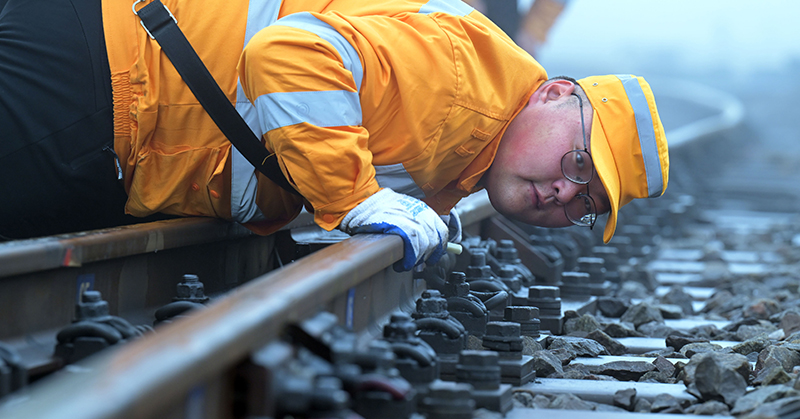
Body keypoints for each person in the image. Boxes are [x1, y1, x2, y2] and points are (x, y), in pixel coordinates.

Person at [0, 0, 668, 271]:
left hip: (120, 91)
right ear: (554, 92)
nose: (564, 193)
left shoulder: (474, 132)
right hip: (110, 81)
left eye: (588, 203)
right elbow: (291, 53)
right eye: (578, 163)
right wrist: (354, 198)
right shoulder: (460, 87)